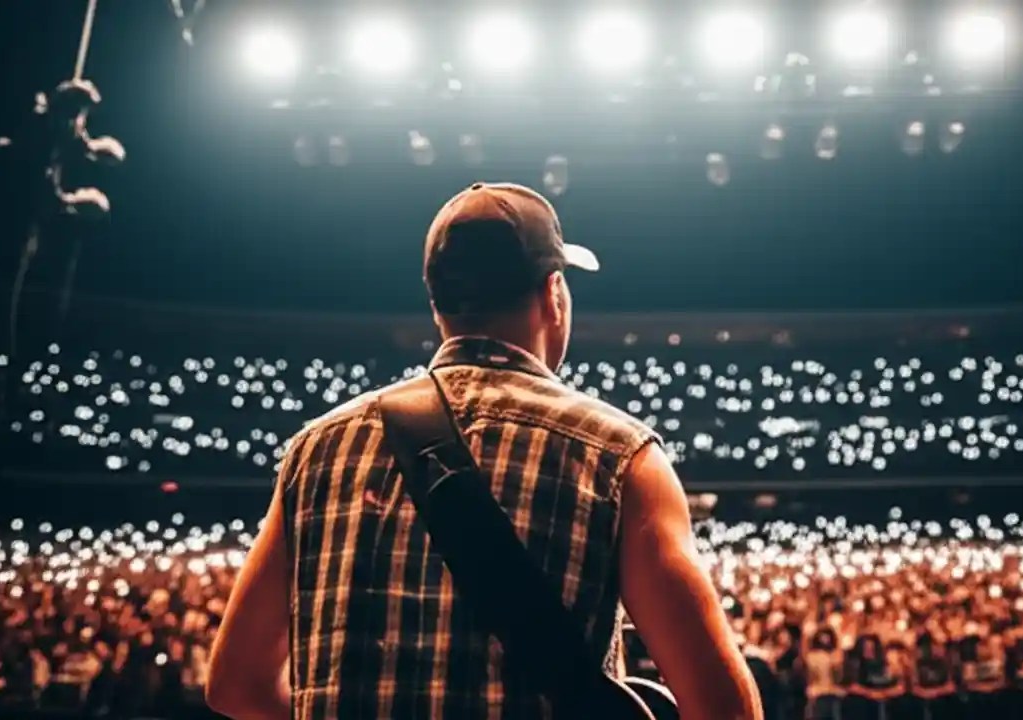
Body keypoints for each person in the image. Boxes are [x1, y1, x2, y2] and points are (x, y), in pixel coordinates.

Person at [205, 182, 763, 720]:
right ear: (554, 296)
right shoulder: (617, 457)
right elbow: (725, 709)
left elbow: (235, 685)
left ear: (437, 307)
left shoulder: (317, 451)